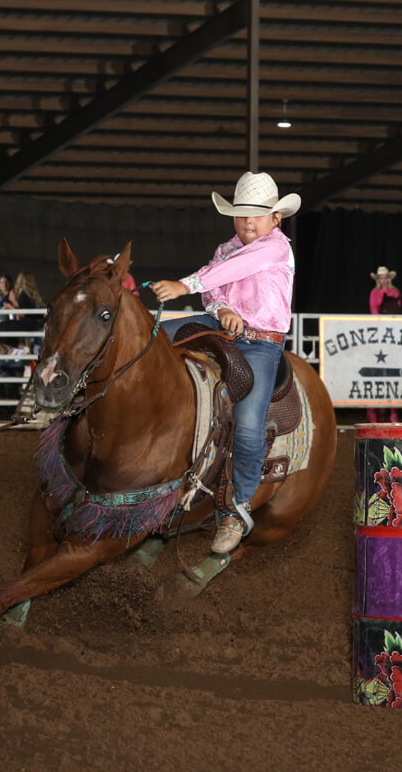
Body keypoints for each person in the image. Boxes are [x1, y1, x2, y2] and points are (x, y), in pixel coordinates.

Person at [150, 171, 298, 554]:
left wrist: (186, 284)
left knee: (249, 423)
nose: (248, 222)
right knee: (154, 341)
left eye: (257, 214)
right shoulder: (226, 249)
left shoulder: (276, 248)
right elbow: (216, 290)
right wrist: (223, 307)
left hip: (261, 343)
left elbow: (227, 273)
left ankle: (237, 507)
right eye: (241, 214)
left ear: (275, 219)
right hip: (221, 326)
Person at [367, 265, 401, 423]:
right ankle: (373, 414)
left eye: (385, 277)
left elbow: (398, 310)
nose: (383, 280)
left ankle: (393, 413)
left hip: (393, 329)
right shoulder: (374, 293)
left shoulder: (395, 292)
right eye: (381, 278)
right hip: (378, 328)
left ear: (389, 278)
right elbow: (374, 310)